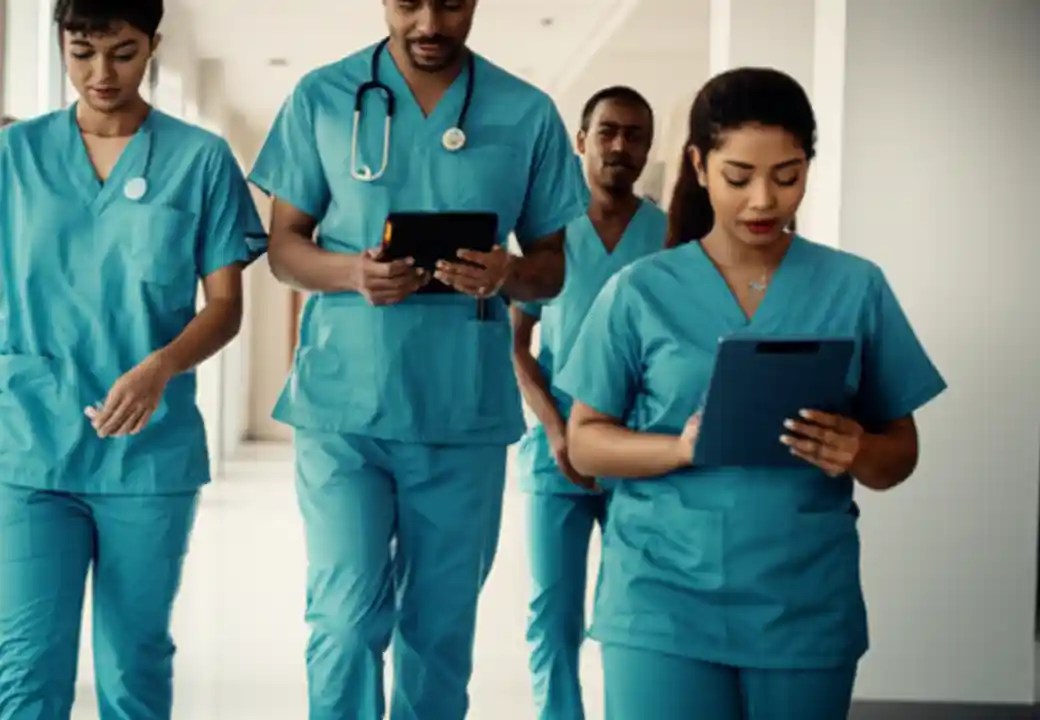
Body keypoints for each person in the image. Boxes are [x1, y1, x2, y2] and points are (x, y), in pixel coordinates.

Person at [555, 67, 947, 720]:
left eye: (787, 175)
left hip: (803, 606)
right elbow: (586, 443)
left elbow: (899, 455)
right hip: (660, 604)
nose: (763, 200)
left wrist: (855, 450)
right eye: (739, 177)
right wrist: (680, 449)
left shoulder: (855, 287)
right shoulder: (639, 290)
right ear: (699, 166)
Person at [0, 1, 265, 717]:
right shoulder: (14, 156)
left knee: (134, 663)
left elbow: (226, 308)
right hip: (28, 450)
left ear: (153, 47)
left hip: (148, 455)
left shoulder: (199, 160)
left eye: (123, 52)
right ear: (60, 46)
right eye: (81, 52)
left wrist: (160, 367)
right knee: (26, 667)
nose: (101, 73)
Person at [247, 0, 587, 717]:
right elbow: (284, 248)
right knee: (343, 619)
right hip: (345, 404)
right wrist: (351, 274)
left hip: (461, 409)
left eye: (452, 3)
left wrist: (506, 274)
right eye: (409, 3)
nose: (430, 22)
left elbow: (553, 266)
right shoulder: (323, 96)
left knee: (439, 631)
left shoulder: (526, 113)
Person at [511, 85, 665, 720]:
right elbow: (516, 346)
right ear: (581, 141)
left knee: (636, 615)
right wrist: (554, 432)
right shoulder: (552, 237)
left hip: (640, 450)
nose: (619, 146)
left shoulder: (670, 235)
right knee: (554, 613)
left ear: (648, 147)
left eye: (634, 135)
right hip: (558, 454)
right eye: (607, 132)